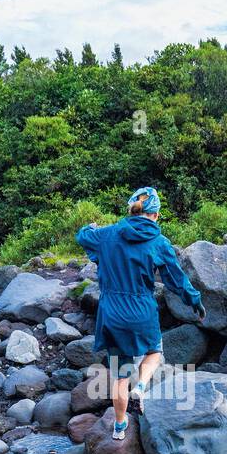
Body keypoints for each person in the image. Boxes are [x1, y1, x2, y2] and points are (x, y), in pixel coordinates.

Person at [75, 187, 204, 439]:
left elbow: (82, 236)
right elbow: (176, 280)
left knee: (121, 374)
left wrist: (89, 227)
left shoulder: (107, 235)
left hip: (112, 313)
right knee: (155, 351)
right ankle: (141, 387)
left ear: (131, 210)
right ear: (155, 215)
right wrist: (195, 301)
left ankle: (119, 428)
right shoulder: (160, 243)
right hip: (142, 311)